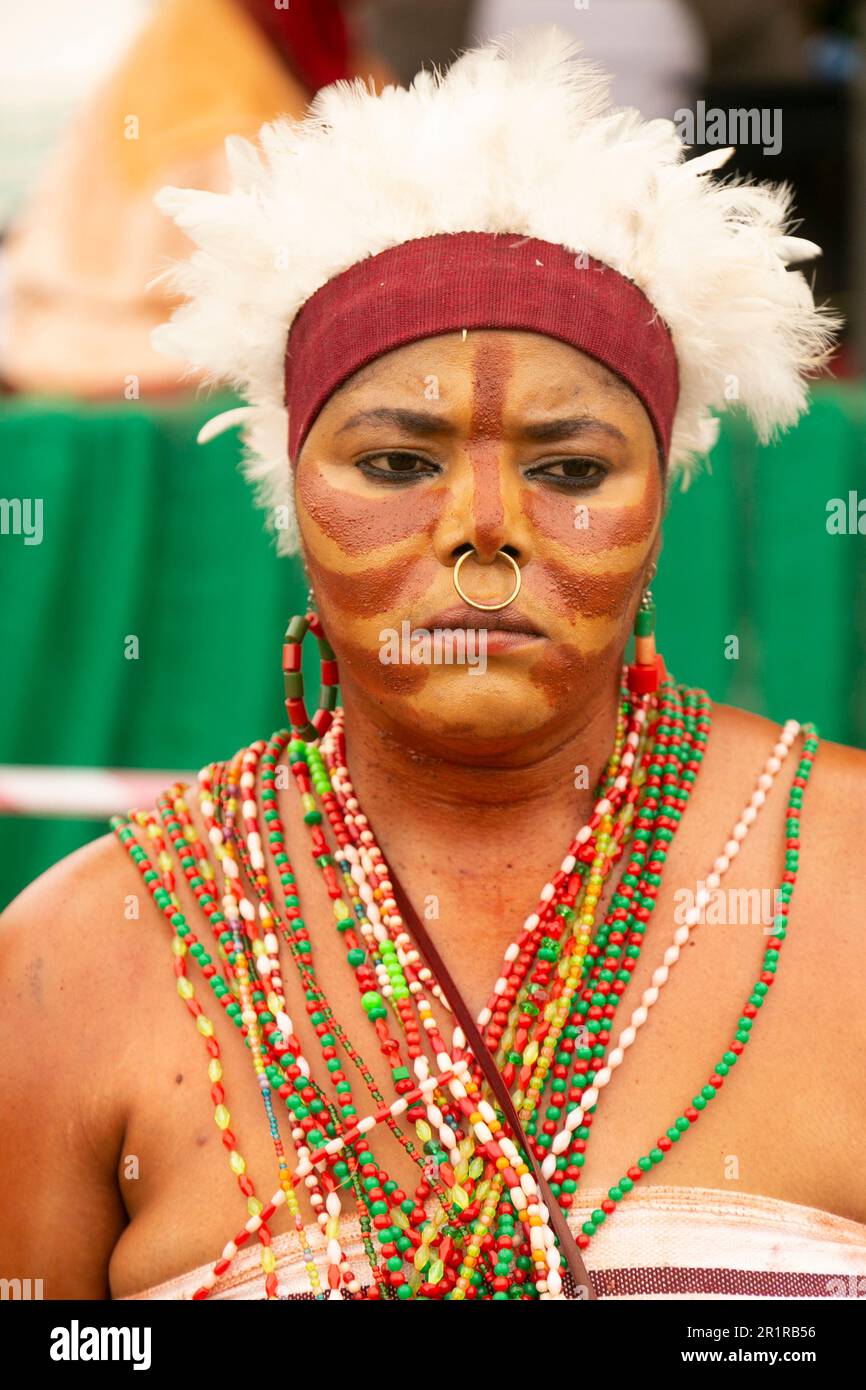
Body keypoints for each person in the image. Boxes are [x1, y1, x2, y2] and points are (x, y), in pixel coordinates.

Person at [2, 27, 865, 1302]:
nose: (483, 530)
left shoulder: (836, 872)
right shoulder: (77, 960)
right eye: (396, 463)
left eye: (569, 470)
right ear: (288, 496)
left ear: (658, 505)